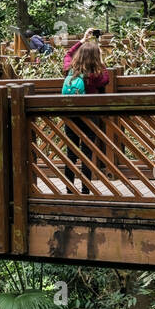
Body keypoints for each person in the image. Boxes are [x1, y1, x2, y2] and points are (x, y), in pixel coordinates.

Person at [62, 41, 109, 194]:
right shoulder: (96, 74)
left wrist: (81, 41)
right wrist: (101, 61)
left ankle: (69, 189)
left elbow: (68, 54)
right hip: (89, 115)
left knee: (71, 152)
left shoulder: (70, 69)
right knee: (87, 153)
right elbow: (106, 79)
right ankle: (85, 190)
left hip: (71, 114)